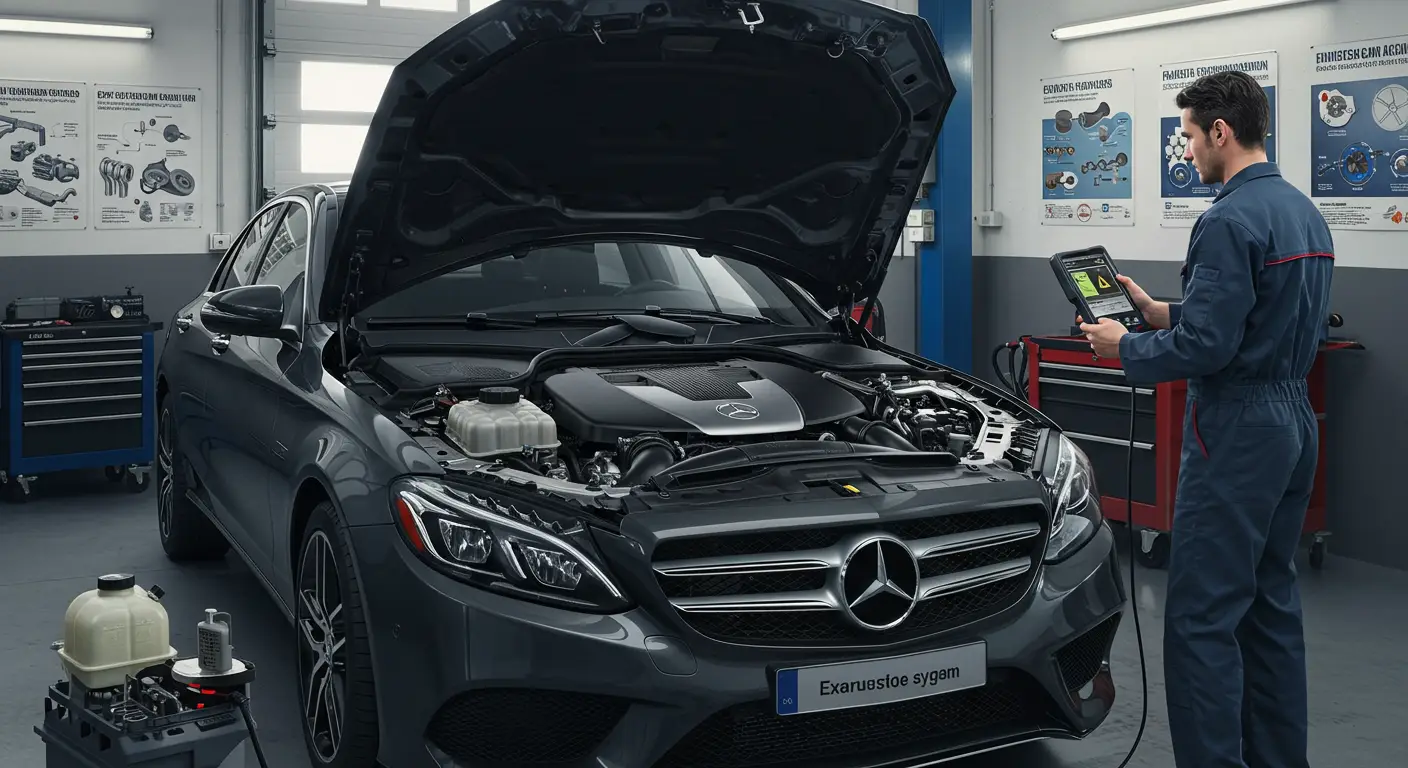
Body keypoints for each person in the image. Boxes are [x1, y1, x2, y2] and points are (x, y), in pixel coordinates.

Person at [1080, 70, 1332, 768]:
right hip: (1293, 423)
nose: (1186, 149)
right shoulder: (1299, 210)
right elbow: (1251, 314)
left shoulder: (1225, 219)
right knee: (1269, 607)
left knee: (1199, 620)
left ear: (1221, 131)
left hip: (1238, 431)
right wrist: (1164, 311)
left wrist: (1126, 345)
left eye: (1189, 134)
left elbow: (1209, 348)